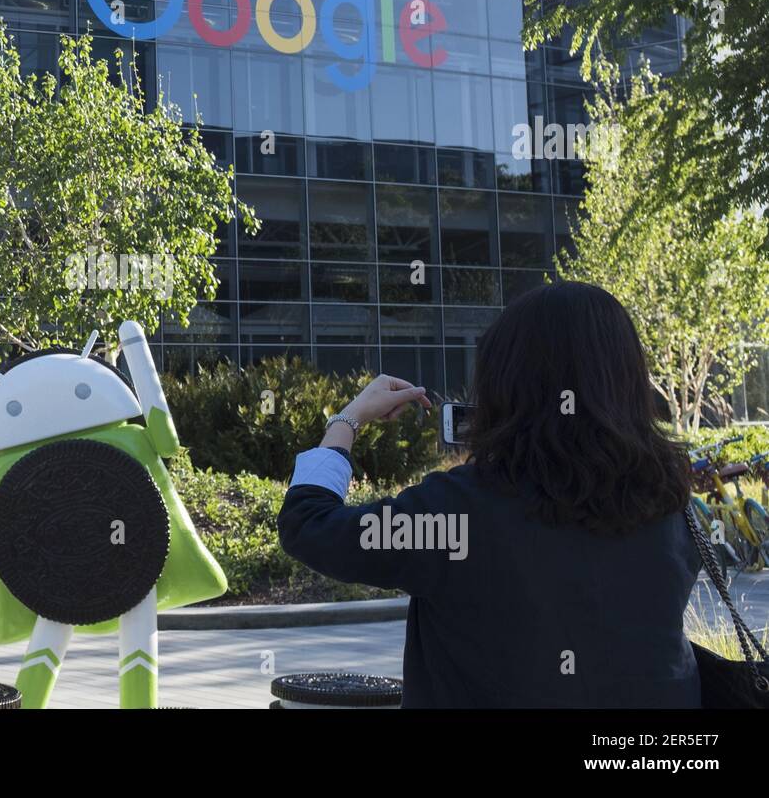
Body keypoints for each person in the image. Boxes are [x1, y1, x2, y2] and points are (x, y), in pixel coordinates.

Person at [277, 281, 699, 707]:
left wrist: (346, 421)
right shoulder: (672, 509)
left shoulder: (456, 516)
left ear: (504, 385)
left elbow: (310, 524)